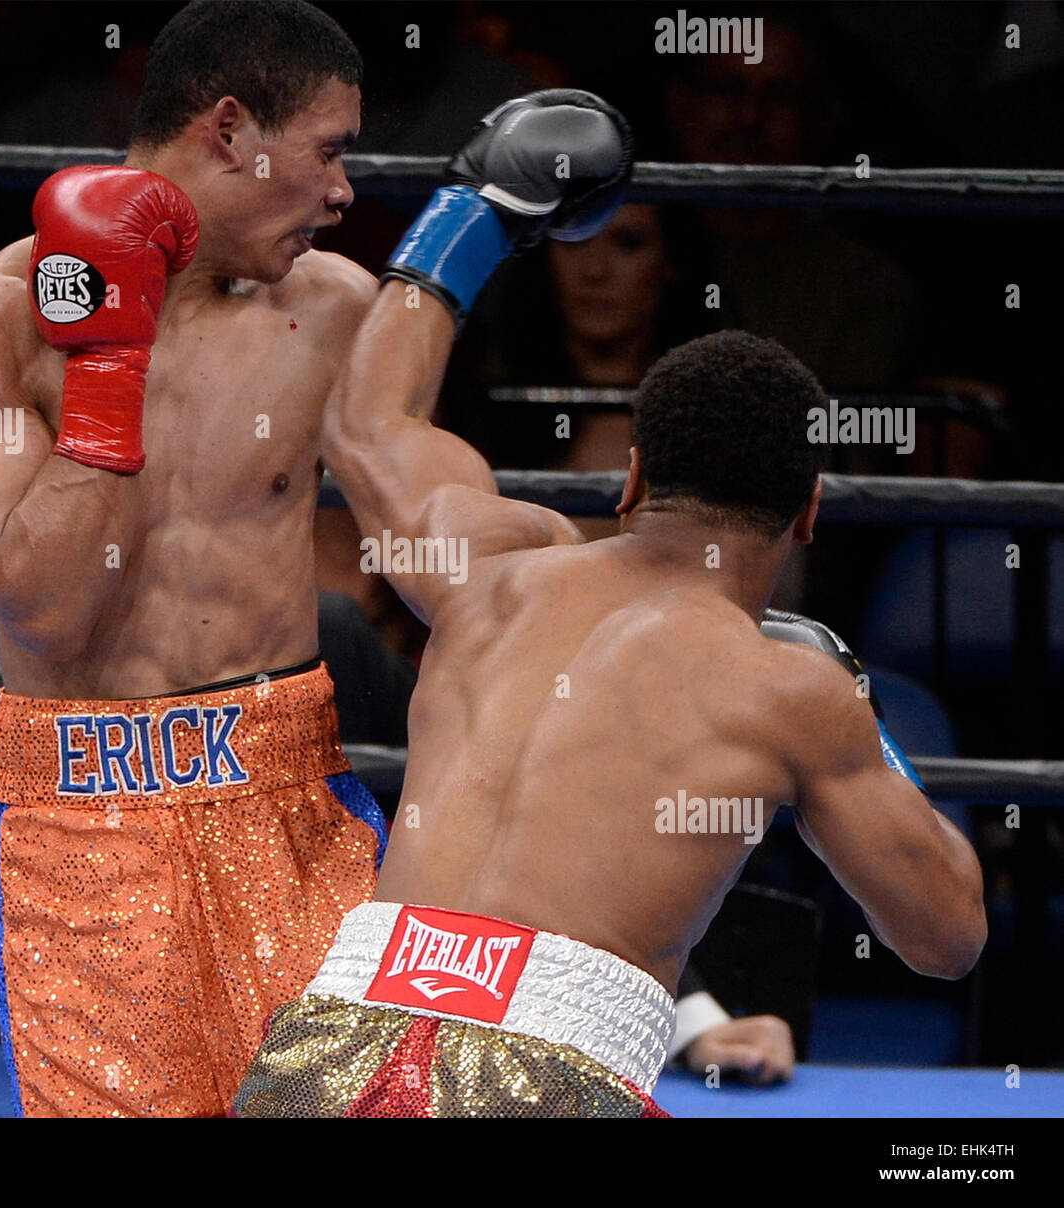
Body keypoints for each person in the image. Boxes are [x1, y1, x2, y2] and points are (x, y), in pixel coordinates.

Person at [233, 90, 986, 1117]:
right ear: (808, 511)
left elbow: (368, 422)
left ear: (630, 481)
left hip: (327, 1050)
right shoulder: (790, 689)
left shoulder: (489, 575)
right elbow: (947, 933)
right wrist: (856, 700)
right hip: (546, 1074)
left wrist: (474, 212)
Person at [0, 0, 386, 1118]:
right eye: (329, 151)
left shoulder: (335, 310)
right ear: (231, 130)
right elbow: (47, 608)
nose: (342, 192)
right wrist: (110, 358)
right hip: (82, 820)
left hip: (286, 801)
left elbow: (443, 550)